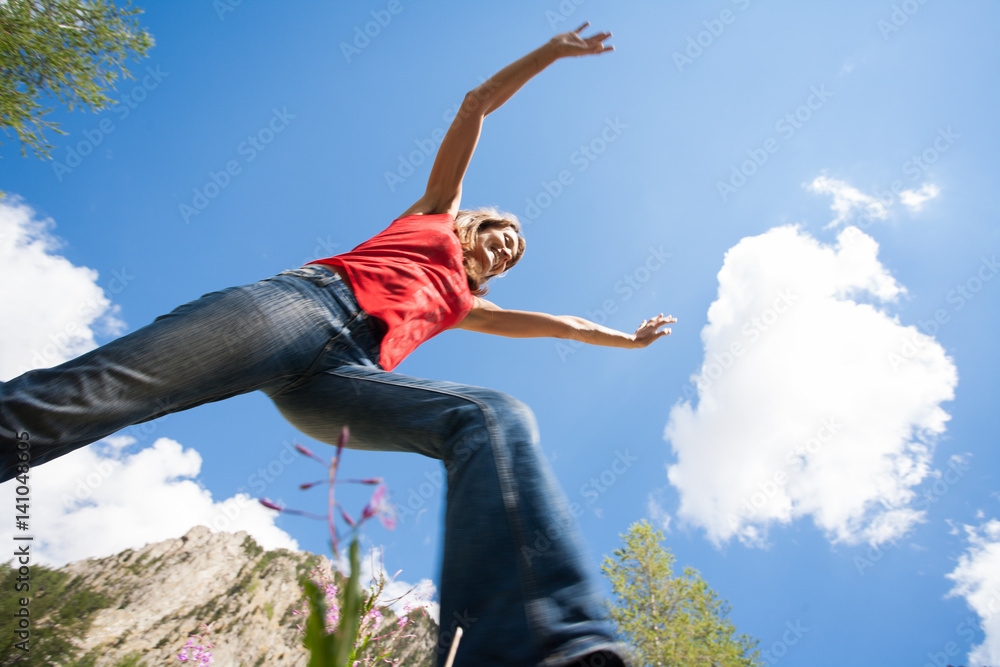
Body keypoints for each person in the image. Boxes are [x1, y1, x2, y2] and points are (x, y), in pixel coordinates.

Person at [0, 24, 675, 667]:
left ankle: (531, 645)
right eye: (503, 236)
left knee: (493, 415)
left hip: (343, 381)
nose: (505, 251)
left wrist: (629, 341)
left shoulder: (470, 305)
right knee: (103, 391)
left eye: (512, 256)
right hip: (301, 305)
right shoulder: (435, 211)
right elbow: (476, 105)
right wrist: (548, 54)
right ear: (479, 223)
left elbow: (563, 325)